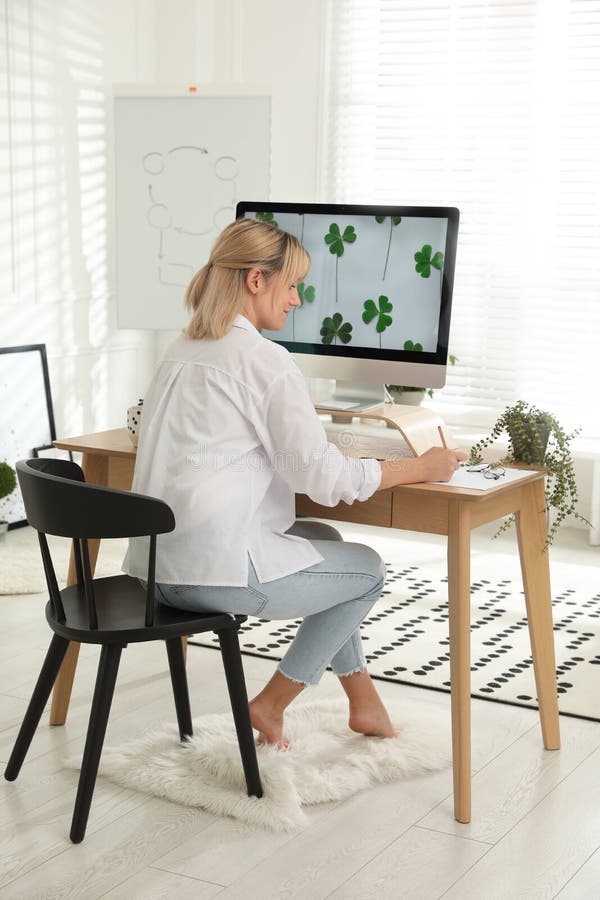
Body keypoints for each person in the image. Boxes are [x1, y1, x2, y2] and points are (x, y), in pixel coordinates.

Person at [123, 218, 467, 747]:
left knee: (323, 539)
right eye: (291, 285)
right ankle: (270, 705)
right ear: (256, 280)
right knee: (367, 571)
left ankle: (363, 702)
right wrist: (422, 466)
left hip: (156, 569)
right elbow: (323, 478)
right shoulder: (263, 360)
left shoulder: (181, 348)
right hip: (213, 573)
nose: (297, 299)